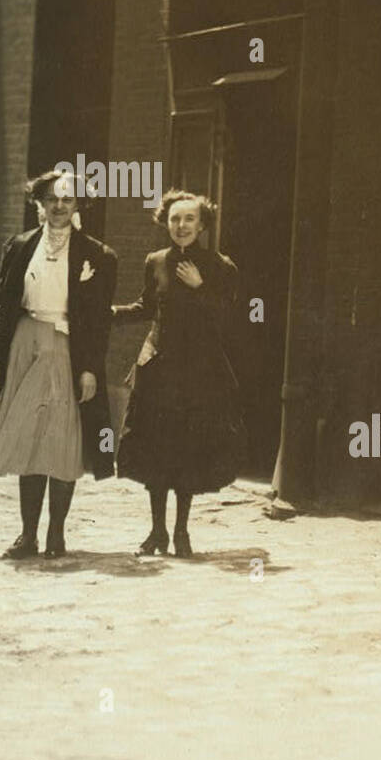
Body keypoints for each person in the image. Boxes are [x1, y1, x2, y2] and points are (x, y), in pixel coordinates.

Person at [0, 170, 117, 558]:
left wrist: (89, 369)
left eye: (68, 199)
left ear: (78, 204)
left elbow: (99, 321)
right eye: (52, 198)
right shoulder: (18, 247)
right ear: (41, 203)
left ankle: (56, 535)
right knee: (29, 437)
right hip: (25, 345)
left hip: (70, 351)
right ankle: (27, 534)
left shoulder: (98, 256)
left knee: (62, 439)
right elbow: (3, 306)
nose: (60, 206)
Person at [112, 190, 246, 557]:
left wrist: (200, 287)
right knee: (156, 448)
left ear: (202, 224)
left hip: (199, 373)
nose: (181, 226)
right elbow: (146, 306)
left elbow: (229, 320)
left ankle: (182, 533)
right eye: (174, 219)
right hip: (158, 368)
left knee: (188, 450)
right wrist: (110, 313)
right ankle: (156, 532)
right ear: (165, 222)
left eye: (189, 219)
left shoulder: (221, 266)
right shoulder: (155, 261)